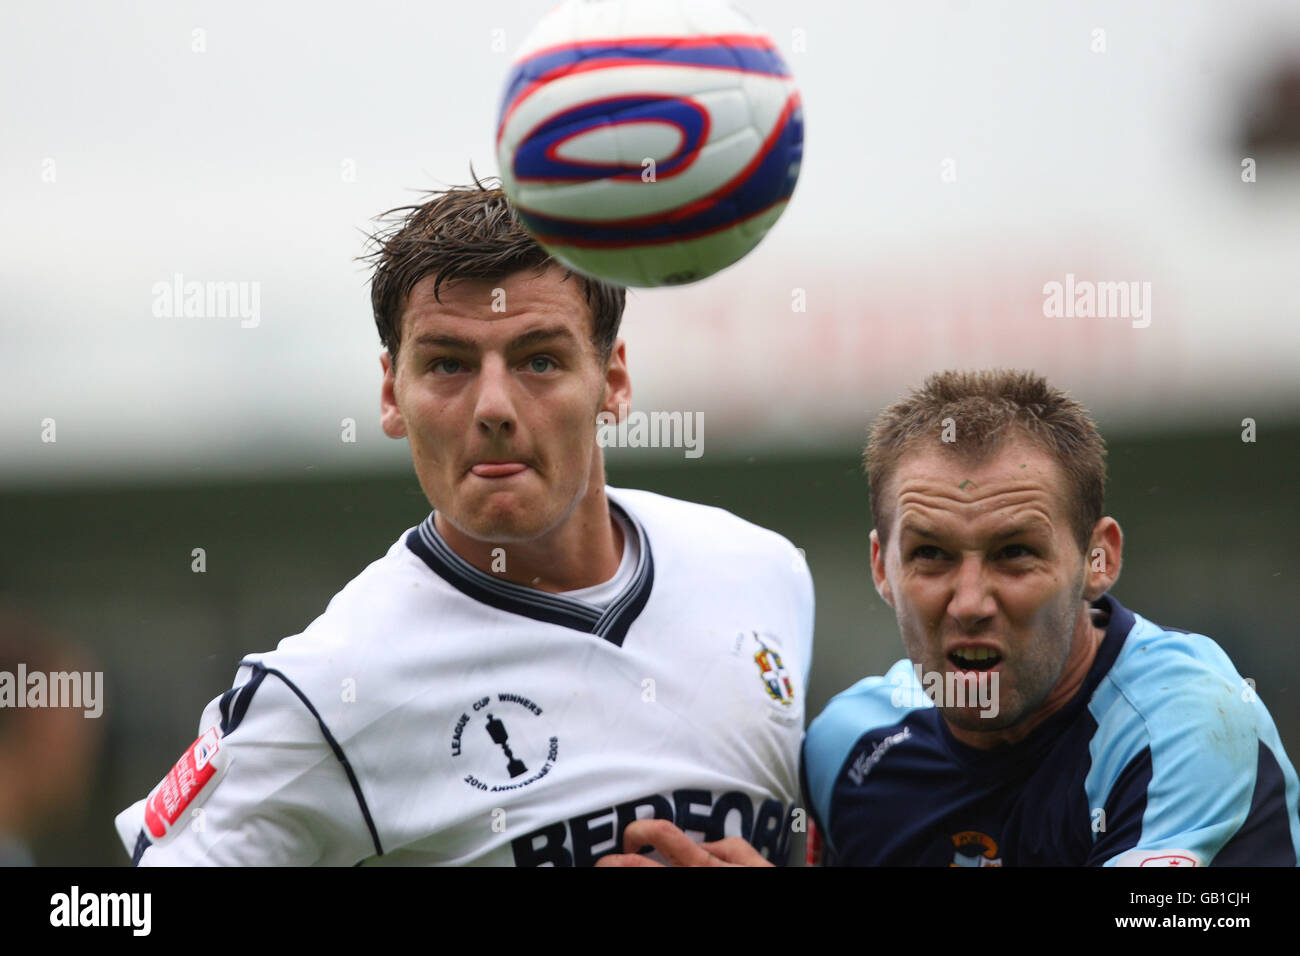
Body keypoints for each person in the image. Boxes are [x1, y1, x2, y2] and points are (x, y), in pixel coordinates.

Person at [114, 178, 813, 866]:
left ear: (615, 381)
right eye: (448, 364)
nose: (494, 407)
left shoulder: (761, 572)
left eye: (540, 359)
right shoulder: (334, 686)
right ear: (392, 396)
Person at [598, 369, 1298, 867]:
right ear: (882, 568)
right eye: (931, 556)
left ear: (1098, 558)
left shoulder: (1194, 726)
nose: (969, 601)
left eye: (1014, 555)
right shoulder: (848, 752)